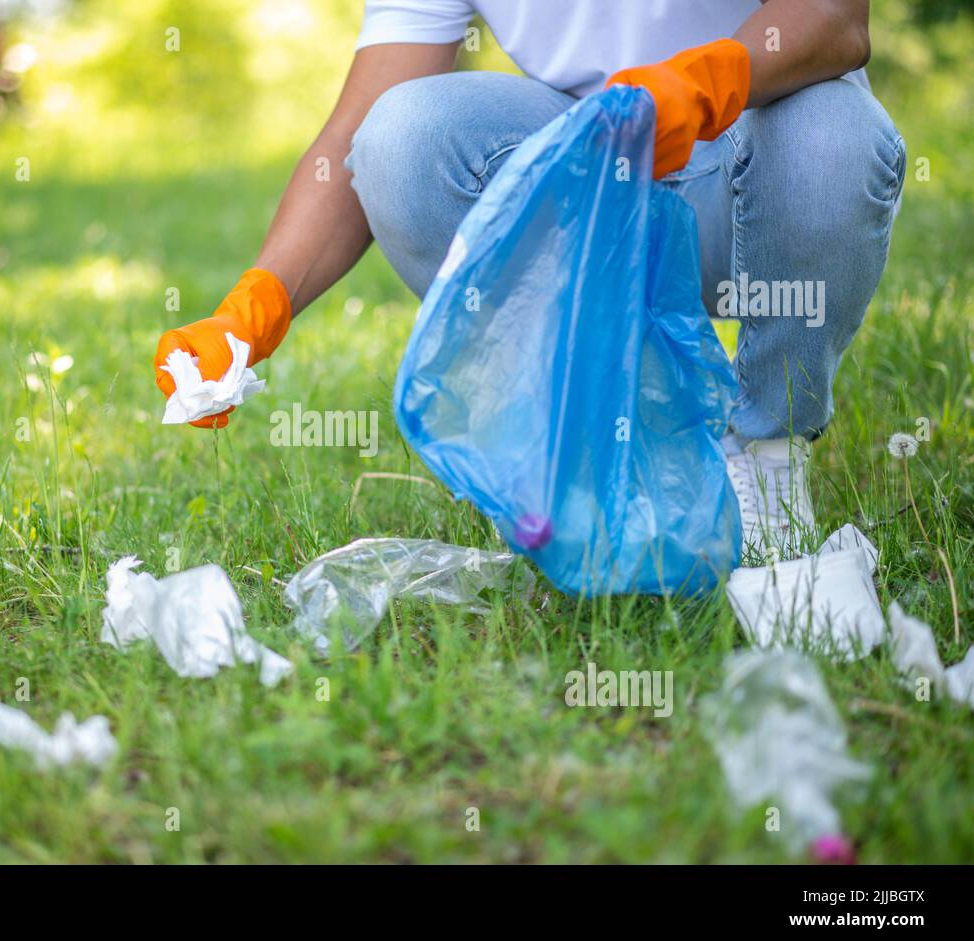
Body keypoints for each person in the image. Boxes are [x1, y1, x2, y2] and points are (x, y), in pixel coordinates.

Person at [153, 0, 905, 560]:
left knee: (835, 143)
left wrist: (701, 82)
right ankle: (626, 437)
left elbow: (837, 19)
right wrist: (258, 305)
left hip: (749, 153)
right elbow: (355, 132)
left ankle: (766, 455)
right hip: (584, 180)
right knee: (400, 138)